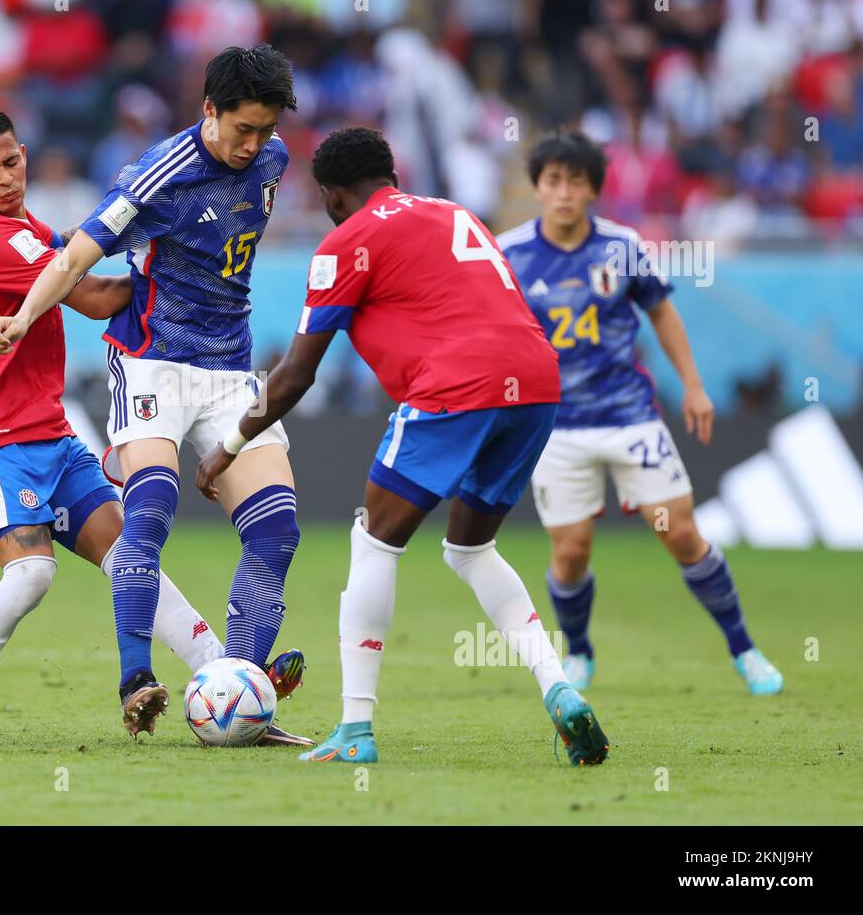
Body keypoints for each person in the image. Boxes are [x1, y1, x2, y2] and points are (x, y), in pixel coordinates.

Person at [196, 127, 610, 766]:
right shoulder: (454, 213)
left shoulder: (345, 241)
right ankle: (558, 688)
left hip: (456, 383)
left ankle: (356, 732)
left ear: (332, 195)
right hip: (535, 381)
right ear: (388, 174)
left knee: (374, 541)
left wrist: (228, 446)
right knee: (472, 550)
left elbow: (294, 375)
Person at [0, 106, 301, 745]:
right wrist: (173, 265)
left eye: (12, 161)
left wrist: (159, 266)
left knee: (129, 558)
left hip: (49, 433)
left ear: (24, 152)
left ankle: (226, 683)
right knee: (31, 574)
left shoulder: (23, 226)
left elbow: (81, 276)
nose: (5, 177)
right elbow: (92, 299)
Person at [497, 129, 782, 695]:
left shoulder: (621, 247)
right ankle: (579, 652)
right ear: (537, 186)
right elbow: (492, 333)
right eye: (553, 180)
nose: (563, 192)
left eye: (576, 181)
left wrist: (694, 386)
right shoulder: (508, 253)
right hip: (555, 426)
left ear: (593, 190)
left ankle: (744, 649)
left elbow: (663, 314)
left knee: (679, 533)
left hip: (630, 416)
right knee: (571, 551)